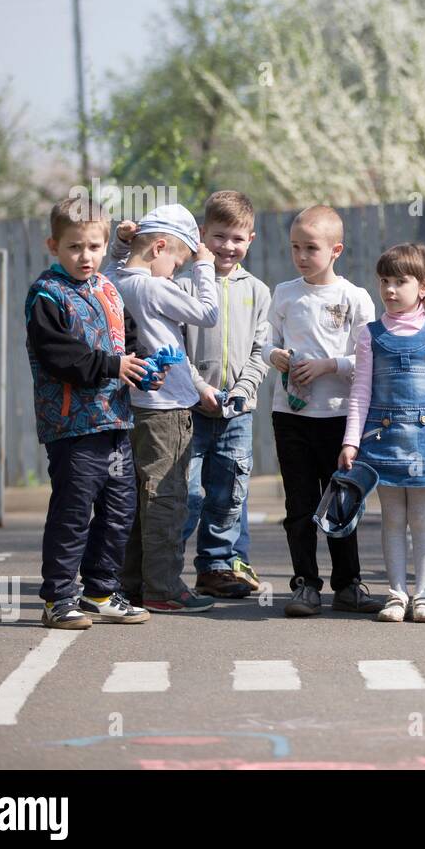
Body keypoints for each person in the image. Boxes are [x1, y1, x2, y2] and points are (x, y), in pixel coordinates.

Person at [26, 197, 151, 628]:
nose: (87, 256)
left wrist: (142, 370)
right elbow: (59, 355)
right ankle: (58, 597)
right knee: (73, 511)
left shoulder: (109, 290)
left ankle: (99, 590)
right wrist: (111, 365)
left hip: (115, 422)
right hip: (72, 427)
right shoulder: (46, 294)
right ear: (53, 246)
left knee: (120, 509)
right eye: (75, 247)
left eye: (95, 247)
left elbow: (127, 343)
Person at [264, 205, 383, 617]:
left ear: (336, 250)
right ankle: (305, 585)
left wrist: (329, 365)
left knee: (341, 504)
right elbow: (266, 343)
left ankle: (348, 584)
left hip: (340, 419)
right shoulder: (284, 293)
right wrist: (275, 356)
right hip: (291, 417)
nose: (300, 256)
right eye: (295, 247)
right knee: (299, 506)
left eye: (310, 248)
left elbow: (367, 358)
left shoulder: (355, 297)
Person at [341, 243, 425, 623]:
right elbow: (360, 392)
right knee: (392, 517)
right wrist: (350, 440)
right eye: (384, 281)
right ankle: (396, 594)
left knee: (424, 517)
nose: (390, 290)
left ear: (424, 286)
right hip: (383, 440)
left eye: (400, 281)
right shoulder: (369, 335)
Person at [109, 203, 220, 613]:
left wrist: (121, 245)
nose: (179, 272)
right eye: (179, 261)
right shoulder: (156, 287)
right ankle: (164, 588)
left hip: (135, 407)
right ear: (159, 248)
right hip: (165, 409)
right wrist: (205, 266)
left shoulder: (117, 280)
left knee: (140, 497)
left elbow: (121, 261)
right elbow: (207, 313)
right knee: (166, 499)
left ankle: (133, 583)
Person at [174, 191, 270, 599]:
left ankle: (216, 565)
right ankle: (161, 568)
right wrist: (199, 389)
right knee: (186, 492)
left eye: (237, 238)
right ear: (201, 235)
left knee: (229, 491)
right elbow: (174, 346)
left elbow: (261, 350)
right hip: (190, 410)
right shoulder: (182, 284)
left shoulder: (258, 292)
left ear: (251, 239)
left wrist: (244, 390)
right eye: (219, 237)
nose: (227, 247)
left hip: (237, 412)